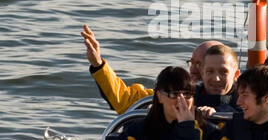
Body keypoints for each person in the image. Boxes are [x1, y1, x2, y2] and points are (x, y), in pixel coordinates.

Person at [82, 24, 225, 114]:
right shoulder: (170, 94)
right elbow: (124, 100)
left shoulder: (239, 102)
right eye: (191, 63)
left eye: (199, 65)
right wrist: (98, 64)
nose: (193, 70)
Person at [105, 66, 212, 140]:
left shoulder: (207, 131)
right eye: (174, 94)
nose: (181, 100)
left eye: (187, 95)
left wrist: (187, 128)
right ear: (159, 96)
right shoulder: (137, 132)